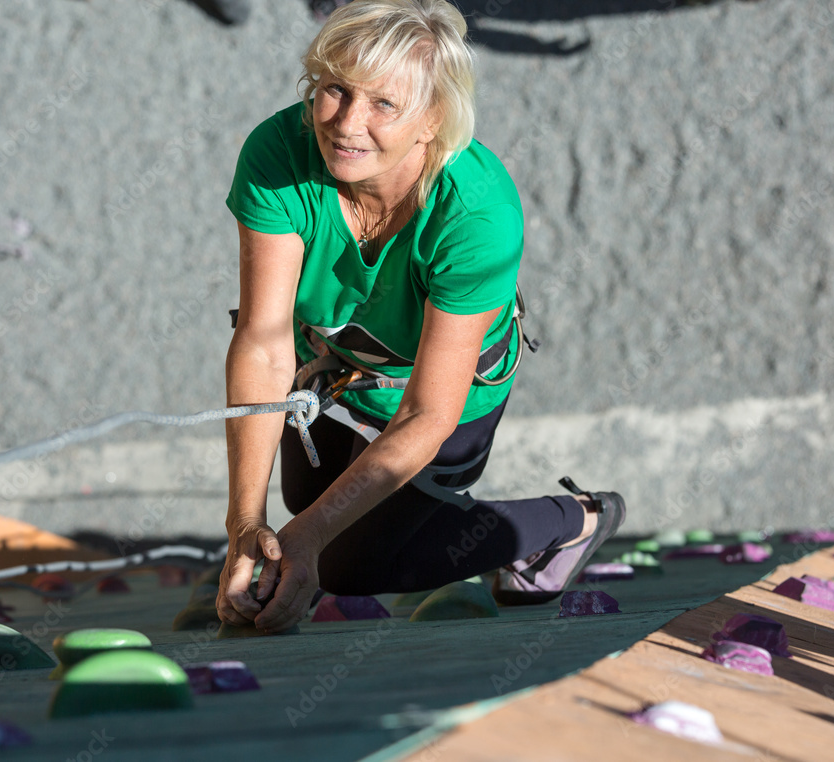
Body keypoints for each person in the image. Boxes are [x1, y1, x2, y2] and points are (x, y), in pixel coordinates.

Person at [217, 0, 626, 634]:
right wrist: (245, 524)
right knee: (306, 505)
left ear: (433, 119)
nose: (348, 123)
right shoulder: (277, 154)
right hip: (333, 366)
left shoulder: (477, 213)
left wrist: (307, 539)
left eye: (385, 104)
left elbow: (428, 413)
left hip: (441, 393)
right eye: (335, 90)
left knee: (348, 563)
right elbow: (265, 343)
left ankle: (575, 519)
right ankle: (381, 522)